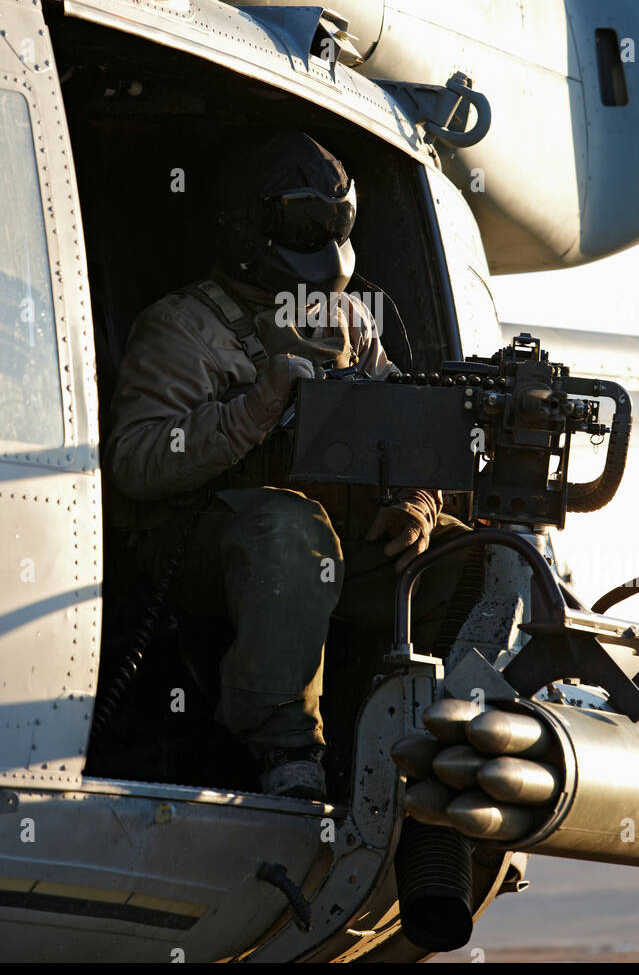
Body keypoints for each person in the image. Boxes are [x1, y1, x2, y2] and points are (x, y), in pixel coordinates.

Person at [103, 129, 454, 800]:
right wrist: (256, 409)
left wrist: (417, 502)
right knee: (288, 529)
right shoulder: (181, 328)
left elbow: (407, 426)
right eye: (305, 224)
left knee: (473, 562)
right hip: (204, 545)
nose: (324, 242)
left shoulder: (349, 321)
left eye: (335, 224)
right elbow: (137, 463)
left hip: (315, 554)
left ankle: (426, 741)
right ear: (251, 227)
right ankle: (286, 752)